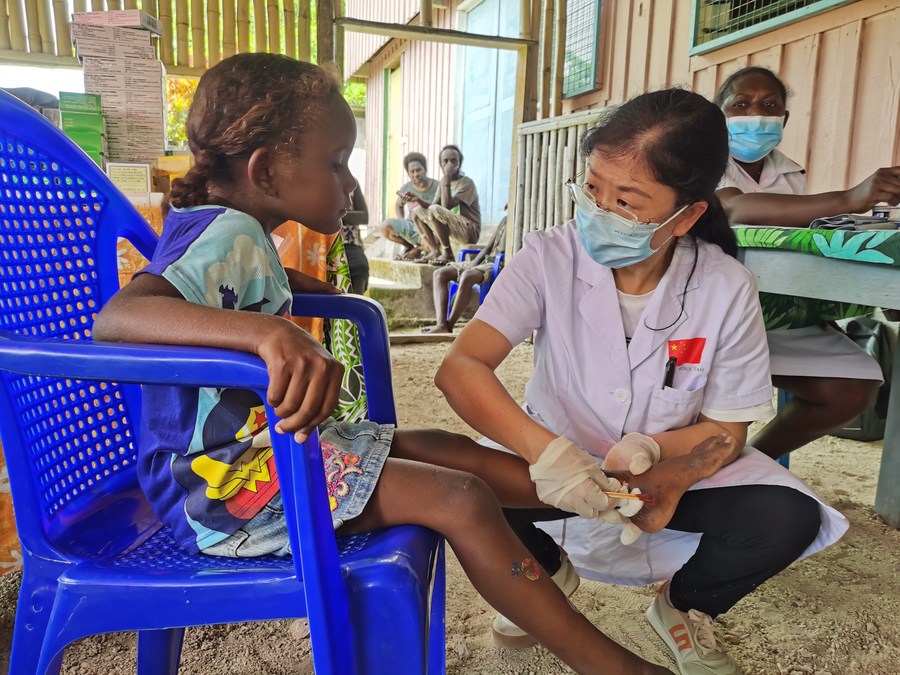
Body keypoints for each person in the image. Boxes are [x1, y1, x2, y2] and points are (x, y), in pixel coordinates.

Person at [92, 52, 686, 674]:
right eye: (336, 162)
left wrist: (283, 294)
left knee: (439, 445)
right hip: (224, 492)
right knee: (459, 498)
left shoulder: (241, 234)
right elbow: (120, 320)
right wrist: (268, 332)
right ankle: (612, 665)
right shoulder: (225, 235)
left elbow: (230, 291)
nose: (349, 183)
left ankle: (588, 492)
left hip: (266, 459)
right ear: (265, 171)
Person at [434, 89, 848, 675]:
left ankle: (682, 606)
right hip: (551, 463)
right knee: (464, 477)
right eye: (593, 187)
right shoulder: (549, 256)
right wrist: (548, 452)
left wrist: (662, 457)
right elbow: (461, 369)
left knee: (787, 517)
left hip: (656, 473)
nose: (599, 211)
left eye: (628, 202)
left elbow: (727, 429)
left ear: (688, 215)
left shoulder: (725, 287)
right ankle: (544, 569)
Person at [713, 66, 899, 460]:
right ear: (720, 114)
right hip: (713, 314)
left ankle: (751, 466)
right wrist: (850, 198)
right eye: (741, 105)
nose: (756, 115)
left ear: (784, 117)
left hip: (772, 313)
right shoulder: (703, 163)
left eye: (769, 105)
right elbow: (735, 207)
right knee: (723, 396)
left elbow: (799, 240)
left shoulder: (789, 171)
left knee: (851, 388)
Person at [422, 214, 506, 334]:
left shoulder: (522, 226)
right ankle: (441, 324)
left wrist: (471, 269)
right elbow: (488, 248)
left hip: (497, 265)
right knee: (439, 274)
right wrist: (472, 265)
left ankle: (449, 326)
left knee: (467, 277)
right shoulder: (505, 220)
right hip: (484, 261)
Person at [413, 144, 482, 264]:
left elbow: (446, 207)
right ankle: (434, 251)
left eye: (453, 161)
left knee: (436, 210)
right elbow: (432, 207)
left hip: (469, 231)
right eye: (445, 161)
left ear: (459, 164)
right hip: (453, 228)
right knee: (417, 212)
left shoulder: (467, 183)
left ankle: (448, 253)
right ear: (441, 164)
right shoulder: (443, 182)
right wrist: (418, 199)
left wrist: (447, 177)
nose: (449, 164)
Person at [380, 152, 438, 260]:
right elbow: (398, 205)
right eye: (412, 171)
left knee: (435, 242)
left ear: (425, 169)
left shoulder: (437, 186)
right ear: (408, 173)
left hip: (430, 228)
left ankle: (417, 250)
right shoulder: (406, 188)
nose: (416, 174)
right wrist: (401, 220)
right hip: (411, 225)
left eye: (419, 170)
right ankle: (408, 246)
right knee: (385, 227)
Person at [340, 181, 370, 294]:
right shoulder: (317, 180)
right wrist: (348, 214)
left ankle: (356, 307)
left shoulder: (352, 182)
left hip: (349, 242)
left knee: (360, 267)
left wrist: (335, 213)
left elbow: (364, 217)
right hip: (322, 242)